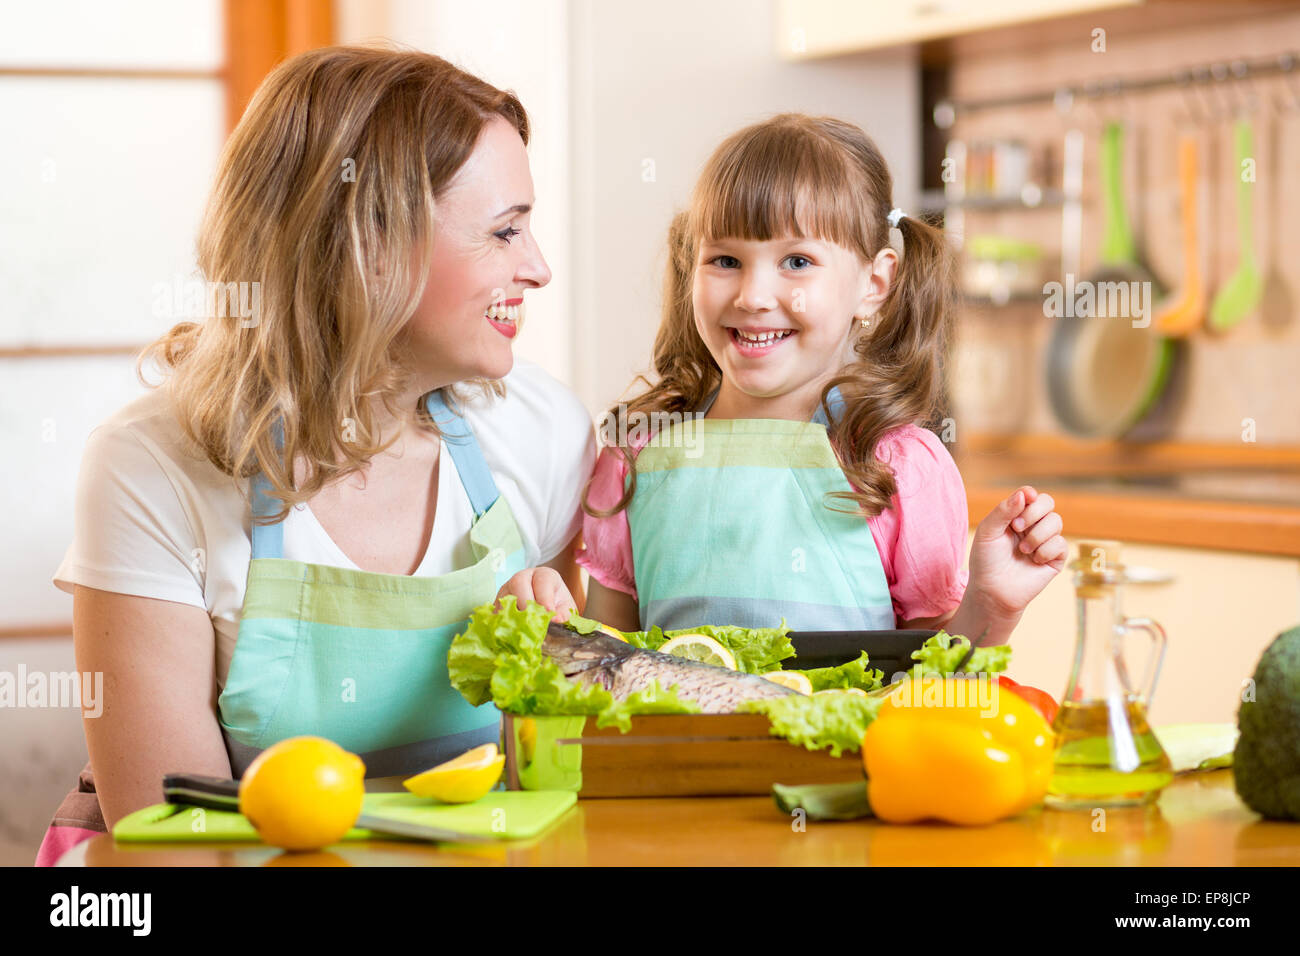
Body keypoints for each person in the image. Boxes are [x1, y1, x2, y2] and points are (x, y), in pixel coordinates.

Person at [36, 46, 595, 866]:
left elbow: (567, 788)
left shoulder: (540, 429)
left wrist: (548, 673)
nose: (538, 267)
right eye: (505, 231)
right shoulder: (149, 466)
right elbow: (175, 844)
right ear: (370, 244)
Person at [552, 113, 1066, 640]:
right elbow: (606, 665)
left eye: (797, 261)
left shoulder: (899, 467)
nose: (752, 296)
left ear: (874, 283)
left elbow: (934, 686)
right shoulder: (636, 457)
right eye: (725, 259)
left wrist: (991, 606)